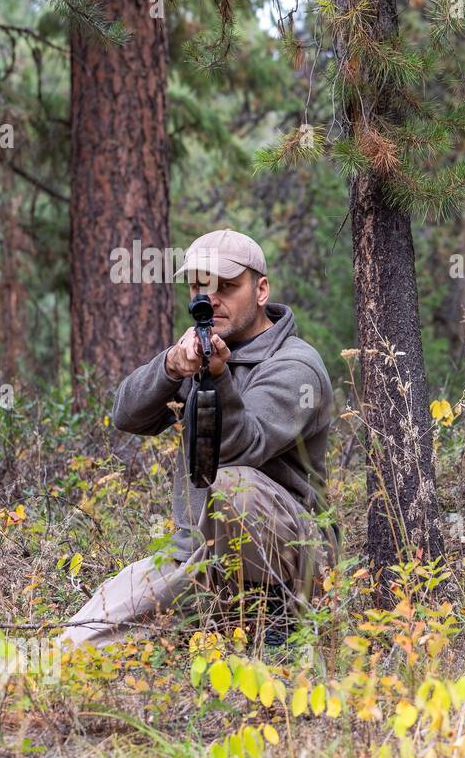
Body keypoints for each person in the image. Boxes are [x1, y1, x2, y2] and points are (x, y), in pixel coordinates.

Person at [60, 229, 336, 650]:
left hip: (298, 561)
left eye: (227, 286)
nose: (213, 300)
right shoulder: (200, 350)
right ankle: (219, 623)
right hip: (197, 557)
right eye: (200, 287)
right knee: (75, 646)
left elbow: (238, 449)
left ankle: (275, 629)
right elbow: (126, 416)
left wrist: (218, 378)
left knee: (233, 485)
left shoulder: (296, 366)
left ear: (261, 289)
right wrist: (172, 365)